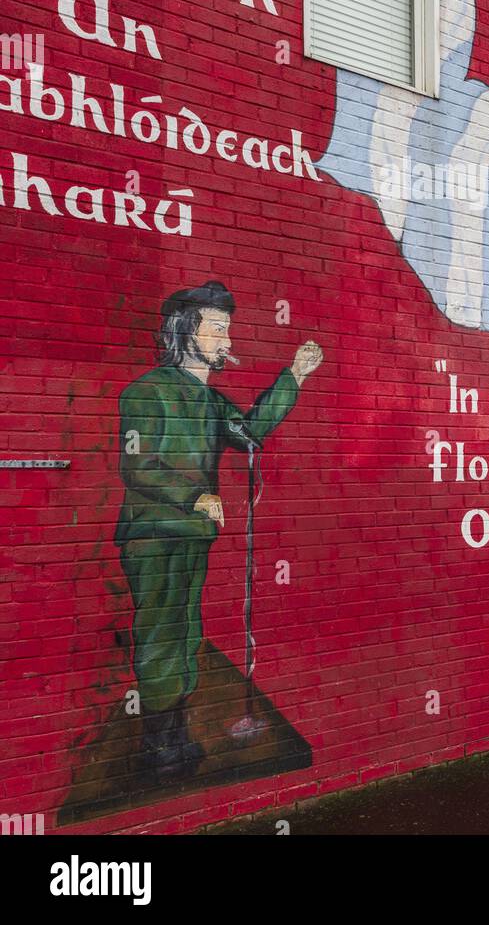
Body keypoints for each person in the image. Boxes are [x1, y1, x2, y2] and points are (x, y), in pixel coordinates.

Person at [114, 280, 323, 781]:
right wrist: (197, 496)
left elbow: (249, 433)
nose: (228, 341)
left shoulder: (210, 400)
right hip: (155, 534)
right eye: (219, 329)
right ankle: (158, 744)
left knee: (184, 631)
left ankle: (175, 734)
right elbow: (139, 465)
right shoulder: (145, 393)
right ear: (187, 332)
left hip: (191, 533)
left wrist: (294, 375)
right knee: (161, 632)